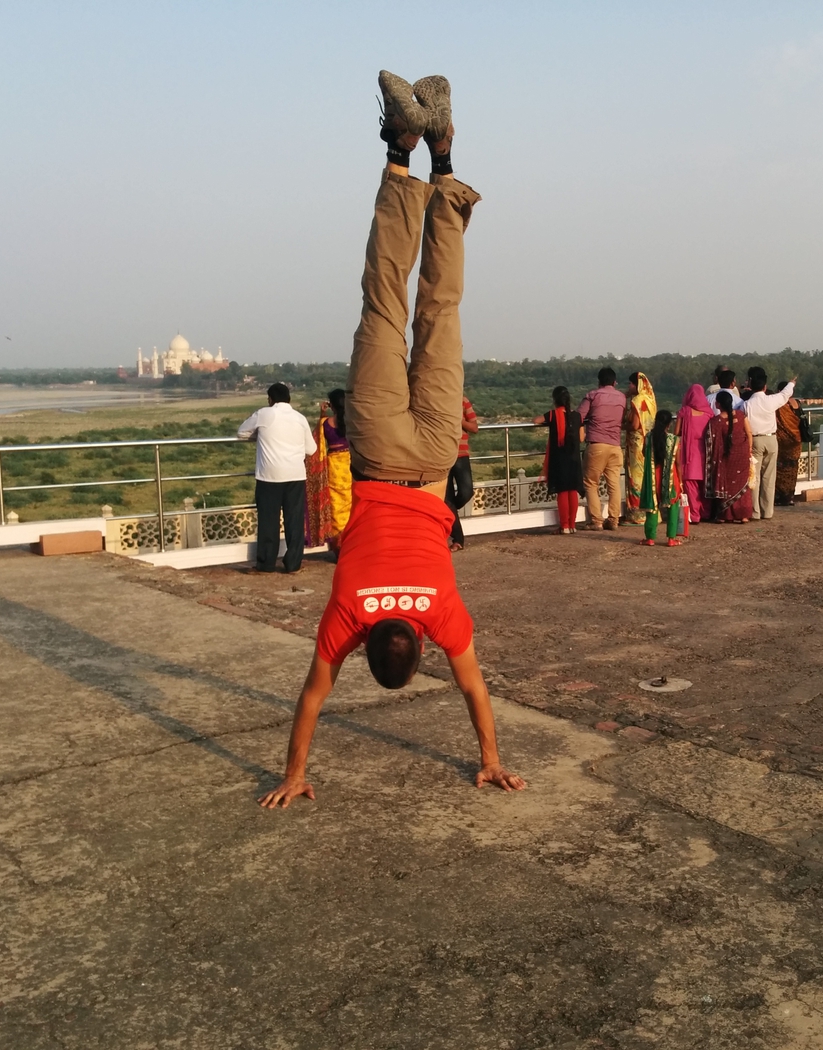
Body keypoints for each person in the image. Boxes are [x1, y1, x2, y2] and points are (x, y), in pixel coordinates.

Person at [259, 71, 524, 809]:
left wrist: (493, 760)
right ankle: (399, 151)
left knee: (439, 308)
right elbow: (311, 699)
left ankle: (443, 156)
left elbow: (476, 691)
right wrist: (292, 773)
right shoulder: (346, 612)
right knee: (386, 301)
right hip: (377, 447)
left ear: (413, 644)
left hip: (435, 451)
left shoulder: (442, 613)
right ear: (372, 640)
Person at [238, 382, 318, 573]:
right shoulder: (300, 418)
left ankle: (266, 563)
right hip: (295, 475)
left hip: (269, 476)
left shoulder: (265, 414)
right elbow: (311, 449)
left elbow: (242, 432)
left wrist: (260, 436)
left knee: (269, 521)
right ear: (289, 399)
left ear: (270, 399)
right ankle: (293, 563)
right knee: (295, 521)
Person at [742, 367, 796, 518]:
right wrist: (791, 383)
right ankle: (768, 511)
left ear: (750, 387)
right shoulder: (771, 400)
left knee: (755, 477)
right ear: (765, 387)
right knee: (769, 477)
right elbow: (785, 395)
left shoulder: (746, 405)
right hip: (771, 439)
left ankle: (755, 512)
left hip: (755, 440)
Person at [577, 367, 627, 530]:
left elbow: (579, 417)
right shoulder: (622, 397)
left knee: (591, 483)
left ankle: (596, 520)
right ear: (614, 382)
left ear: (599, 381)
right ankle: (613, 519)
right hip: (615, 446)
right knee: (614, 484)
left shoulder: (593, 395)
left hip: (597, 445)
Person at [305, 388, 352, 552]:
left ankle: (339, 546)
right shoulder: (354, 420)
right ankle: (351, 543)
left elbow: (316, 440)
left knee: (335, 506)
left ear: (331, 404)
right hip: (350, 466)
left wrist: (322, 414)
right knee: (351, 503)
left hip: (333, 467)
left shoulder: (326, 423)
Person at [534, 386, 584, 534]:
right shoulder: (577, 416)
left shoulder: (552, 415)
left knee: (562, 491)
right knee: (572, 491)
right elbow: (581, 437)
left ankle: (564, 526)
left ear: (555, 400)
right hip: (574, 458)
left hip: (559, 458)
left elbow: (536, 420)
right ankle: (572, 524)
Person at [705, 391, 753, 521]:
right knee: (742, 484)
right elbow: (749, 433)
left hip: (726, 457)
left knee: (727, 484)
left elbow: (711, 443)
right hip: (742, 455)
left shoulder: (716, 421)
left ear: (718, 404)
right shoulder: (741, 415)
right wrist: (749, 450)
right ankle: (743, 516)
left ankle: (724, 515)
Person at [639, 409, 682, 546]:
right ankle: (671, 538)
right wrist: (681, 481)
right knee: (673, 507)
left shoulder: (648, 438)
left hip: (652, 476)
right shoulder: (674, 440)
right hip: (670, 477)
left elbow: (644, 454)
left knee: (653, 507)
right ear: (668, 424)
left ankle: (650, 538)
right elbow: (678, 463)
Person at [622, 371, 657, 524]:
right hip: (648, 442)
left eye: (631, 383)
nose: (629, 386)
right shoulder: (650, 399)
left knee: (635, 479)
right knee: (646, 477)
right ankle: (649, 511)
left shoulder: (637, 400)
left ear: (637, 385)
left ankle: (637, 515)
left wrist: (621, 426)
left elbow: (635, 425)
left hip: (636, 445)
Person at [676, 383, 714, 523]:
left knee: (690, 485)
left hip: (689, 452)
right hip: (704, 452)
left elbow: (676, 433)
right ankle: (706, 512)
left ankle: (694, 514)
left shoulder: (685, 411)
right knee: (705, 484)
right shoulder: (709, 413)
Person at [445, 396, 478, 551]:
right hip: (441, 454)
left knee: (467, 491)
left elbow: (474, 427)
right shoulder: (433, 399)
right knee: (448, 498)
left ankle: (448, 512)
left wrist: (458, 420)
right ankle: (458, 540)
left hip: (461, 453)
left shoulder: (462, 400)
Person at [774, 393, 805, 507]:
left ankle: (779, 497)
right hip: (796, 440)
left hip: (782, 441)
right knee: (793, 467)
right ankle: (789, 497)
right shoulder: (796, 403)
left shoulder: (779, 405)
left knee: (780, 468)